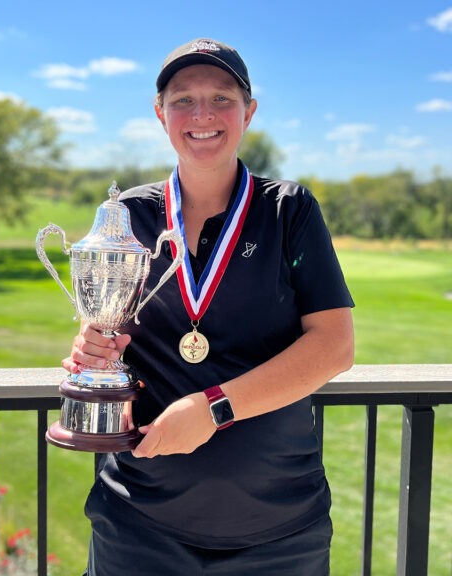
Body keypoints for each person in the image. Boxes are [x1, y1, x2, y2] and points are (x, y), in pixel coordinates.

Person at [63, 38, 355, 575]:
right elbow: (103, 331)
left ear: (249, 111)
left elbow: (334, 346)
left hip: (280, 532)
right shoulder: (127, 213)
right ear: (160, 113)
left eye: (222, 98)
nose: (202, 115)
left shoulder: (288, 210)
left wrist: (214, 407)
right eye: (182, 100)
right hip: (138, 524)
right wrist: (93, 350)